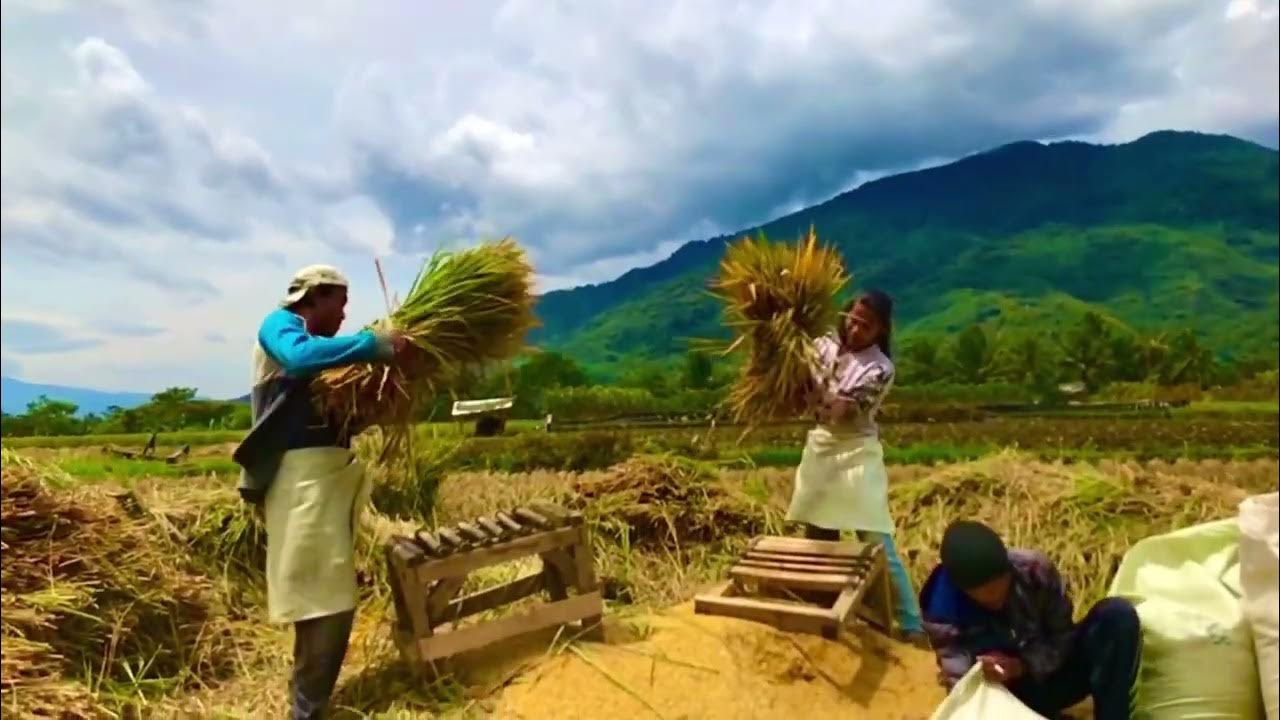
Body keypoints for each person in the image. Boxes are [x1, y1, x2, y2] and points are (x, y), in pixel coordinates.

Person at [232, 265, 407, 720]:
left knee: (323, 595)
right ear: (315, 295)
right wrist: (374, 345)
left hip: (326, 478)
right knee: (324, 598)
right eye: (341, 303)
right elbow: (299, 357)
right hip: (298, 480)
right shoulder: (280, 326)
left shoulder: (328, 357)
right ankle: (306, 709)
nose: (345, 315)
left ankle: (307, 700)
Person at [786, 290, 926, 642]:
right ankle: (824, 610)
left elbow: (842, 411)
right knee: (819, 534)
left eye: (866, 325)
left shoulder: (880, 368)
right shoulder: (821, 345)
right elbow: (794, 386)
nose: (855, 328)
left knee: (875, 537)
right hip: (821, 448)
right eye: (853, 318)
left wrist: (810, 394)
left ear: (880, 330)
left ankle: (910, 623)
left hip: (856, 453)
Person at [919, 520, 1142, 720]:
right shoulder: (942, 609)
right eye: (986, 596)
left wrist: (1023, 665)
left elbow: (1063, 636)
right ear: (962, 590)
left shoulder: (1034, 570)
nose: (997, 598)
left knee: (1116, 616)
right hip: (1007, 698)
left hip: (1052, 673)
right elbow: (963, 686)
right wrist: (990, 677)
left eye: (1001, 588)